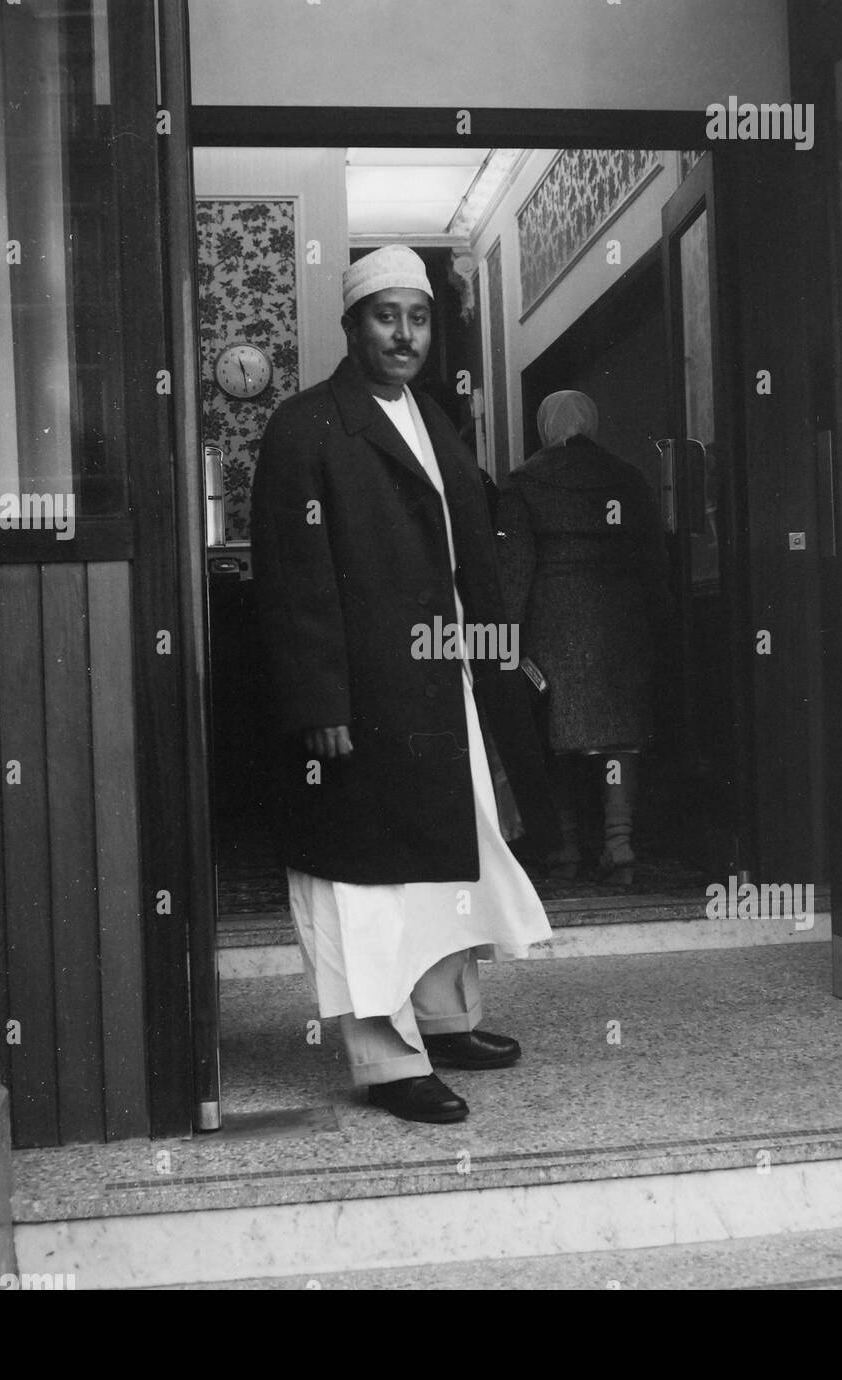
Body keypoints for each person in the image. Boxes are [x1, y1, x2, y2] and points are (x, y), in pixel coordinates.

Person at [250, 245, 558, 1124]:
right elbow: (292, 577)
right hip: (365, 698)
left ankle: (446, 1020)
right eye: (386, 316)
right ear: (352, 326)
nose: (404, 333)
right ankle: (388, 1064)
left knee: (454, 858)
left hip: (446, 684)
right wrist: (320, 704)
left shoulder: (434, 419)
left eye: (418, 317)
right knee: (368, 886)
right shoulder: (308, 427)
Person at [497, 391, 674, 886]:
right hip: (621, 620)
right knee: (619, 741)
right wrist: (658, 624)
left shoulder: (524, 484)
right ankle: (620, 845)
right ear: (592, 422)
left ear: (543, 425)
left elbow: (514, 570)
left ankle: (564, 849)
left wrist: (506, 639)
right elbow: (653, 559)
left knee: (556, 738)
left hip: (553, 622)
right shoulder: (628, 478)